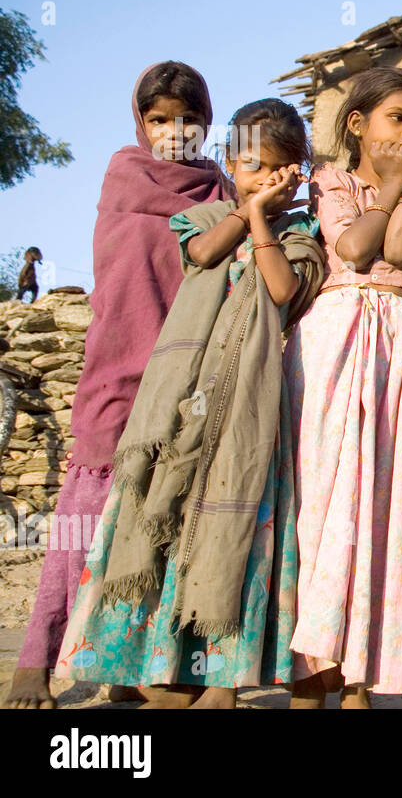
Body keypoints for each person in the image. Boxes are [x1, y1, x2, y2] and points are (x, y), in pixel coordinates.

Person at [53, 98, 325, 708]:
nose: (261, 177)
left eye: (276, 169)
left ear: (296, 175)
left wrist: (261, 221)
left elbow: (282, 289)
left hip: (246, 414)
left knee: (224, 536)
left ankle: (217, 679)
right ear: (228, 163)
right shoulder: (202, 220)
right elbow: (201, 256)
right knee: (161, 528)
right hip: (177, 404)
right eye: (249, 165)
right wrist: (246, 209)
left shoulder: (300, 236)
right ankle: (146, 667)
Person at [5, 62, 231, 710]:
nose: (174, 131)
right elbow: (121, 278)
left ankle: (140, 662)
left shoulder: (222, 191)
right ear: (140, 122)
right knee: (83, 523)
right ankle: (35, 663)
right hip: (119, 374)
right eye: (159, 118)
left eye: (189, 119)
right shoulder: (123, 176)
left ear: (207, 125)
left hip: (190, 382)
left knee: (173, 528)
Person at [283, 67, 402, 707]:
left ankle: (359, 673)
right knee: (323, 503)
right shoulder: (331, 182)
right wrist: (387, 188)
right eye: (397, 119)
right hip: (333, 344)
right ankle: (312, 671)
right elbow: (354, 248)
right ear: (357, 125)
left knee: (384, 505)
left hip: (396, 348)